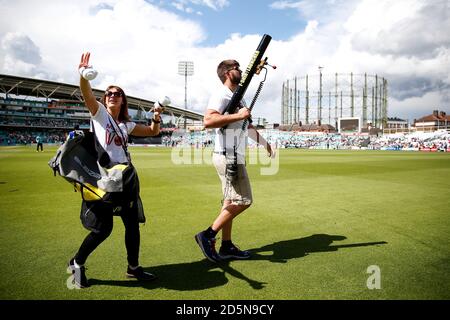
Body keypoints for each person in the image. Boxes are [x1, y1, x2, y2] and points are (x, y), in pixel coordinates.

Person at [67, 52, 164, 288]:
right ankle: (76, 263)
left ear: (122, 100)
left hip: (125, 181)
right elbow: (86, 94)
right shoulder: (99, 114)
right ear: (105, 99)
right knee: (103, 230)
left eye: (117, 94)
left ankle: (133, 267)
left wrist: (157, 118)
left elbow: (152, 132)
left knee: (132, 226)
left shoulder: (126, 125)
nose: (112, 96)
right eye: (109, 93)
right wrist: (83, 75)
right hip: (104, 181)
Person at [194, 59, 274, 262]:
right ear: (228, 73)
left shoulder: (238, 97)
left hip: (233, 155)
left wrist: (264, 143)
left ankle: (227, 245)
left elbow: (246, 126)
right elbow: (209, 121)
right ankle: (208, 235)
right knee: (243, 200)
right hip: (228, 156)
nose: (241, 70)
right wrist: (238, 115)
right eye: (237, 68)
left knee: (229, 201)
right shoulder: (221, 94)